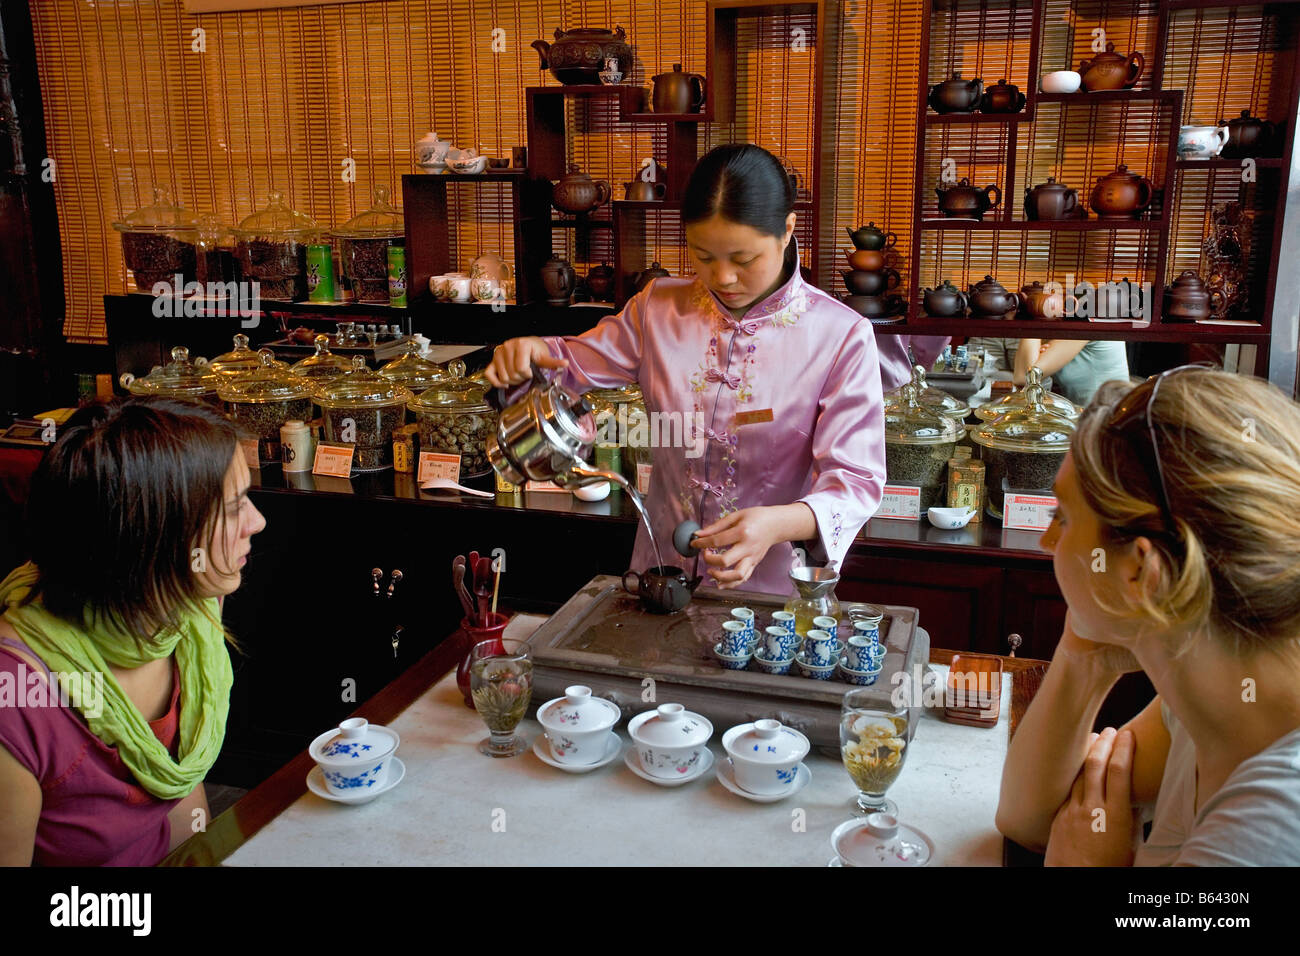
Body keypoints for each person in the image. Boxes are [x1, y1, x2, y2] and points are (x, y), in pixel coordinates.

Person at [486, 144, 887, 593]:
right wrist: (527, 354)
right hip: (658, 573)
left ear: (787, 230)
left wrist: (776, 524)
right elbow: (567, 367)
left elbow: (856, 481)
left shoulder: (840, 335)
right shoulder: (658, 308)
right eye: (703, 255)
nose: (723, 278)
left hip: (766, 588)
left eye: (744, 259)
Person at [996, 367, 1300, 865]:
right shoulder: (1206, 699)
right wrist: (1084, 652)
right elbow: (1026, 819)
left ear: (1140, 568)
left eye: (1064, 518)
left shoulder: (1272, 824)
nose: (1047, 542)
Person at [0, 398, 265, 865]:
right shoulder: (18, 704)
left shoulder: (184, 612)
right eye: (233, 507)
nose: (257, 522)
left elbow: (182, 791)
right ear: (154, 540)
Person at [1013, 337, 1129, 407]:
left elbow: (1024, 376)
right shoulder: (1065, 321)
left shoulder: (1084, 321)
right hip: (1085, 418)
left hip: (1105, 424)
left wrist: (1032, 316)